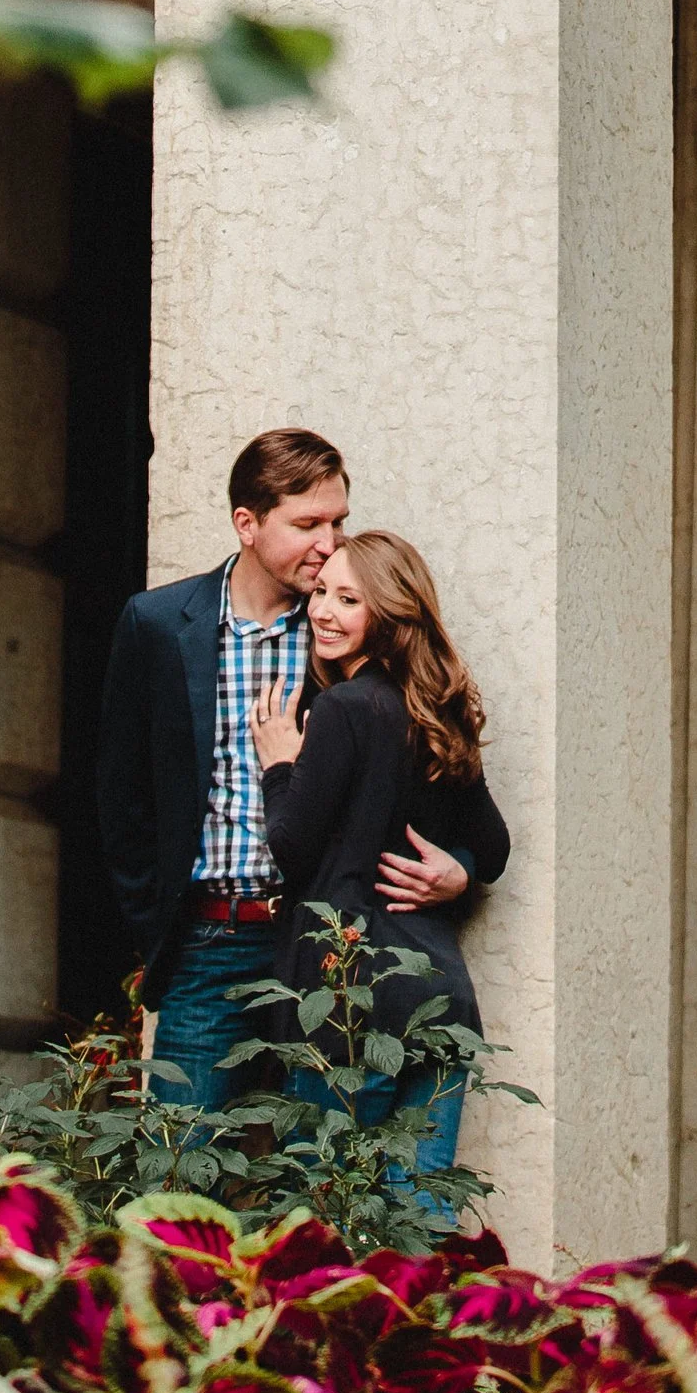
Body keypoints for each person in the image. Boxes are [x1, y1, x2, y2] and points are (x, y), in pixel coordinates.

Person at [96, 430, 472, 1115]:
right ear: (248, 523)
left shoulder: (350, 626)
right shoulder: (155, 624)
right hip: (210, 941)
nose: (330, 543)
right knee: (184, 1171)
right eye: (308, 525)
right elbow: (124, 798)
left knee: (320, 1178)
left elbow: (438, 773)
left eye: (338, 522)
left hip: (336, 942)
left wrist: (463, 866)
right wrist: (160, 927)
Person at [250, 529, 510, 1196]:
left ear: (389, 617)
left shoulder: (340, 710)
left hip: (349, 1004)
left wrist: (279, 766)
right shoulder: (435, 715)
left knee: (330, 1218)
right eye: (321, 593)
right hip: (436, 1002)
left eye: (348, 600)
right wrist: (457, 870)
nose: (323, 612)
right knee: (420, 1220)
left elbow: (291, 850)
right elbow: (493, 848)